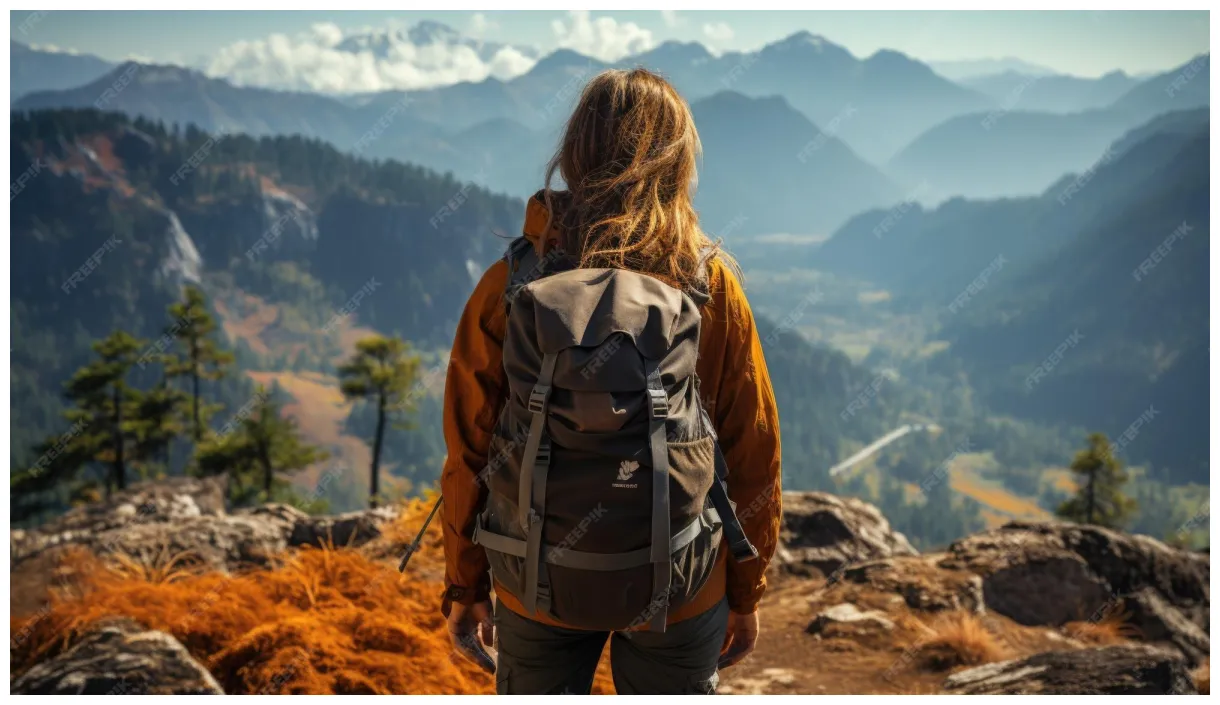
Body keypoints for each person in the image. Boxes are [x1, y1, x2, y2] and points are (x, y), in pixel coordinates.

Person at [439, 67, 782, 695]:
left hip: (535, 579)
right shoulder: (709, 286)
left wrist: (465, 584)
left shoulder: (511, 285)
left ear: (574, 153)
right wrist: (744, 589)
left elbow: (470, 448)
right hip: (680, 582)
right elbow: (751, 448)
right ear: (677, 163)